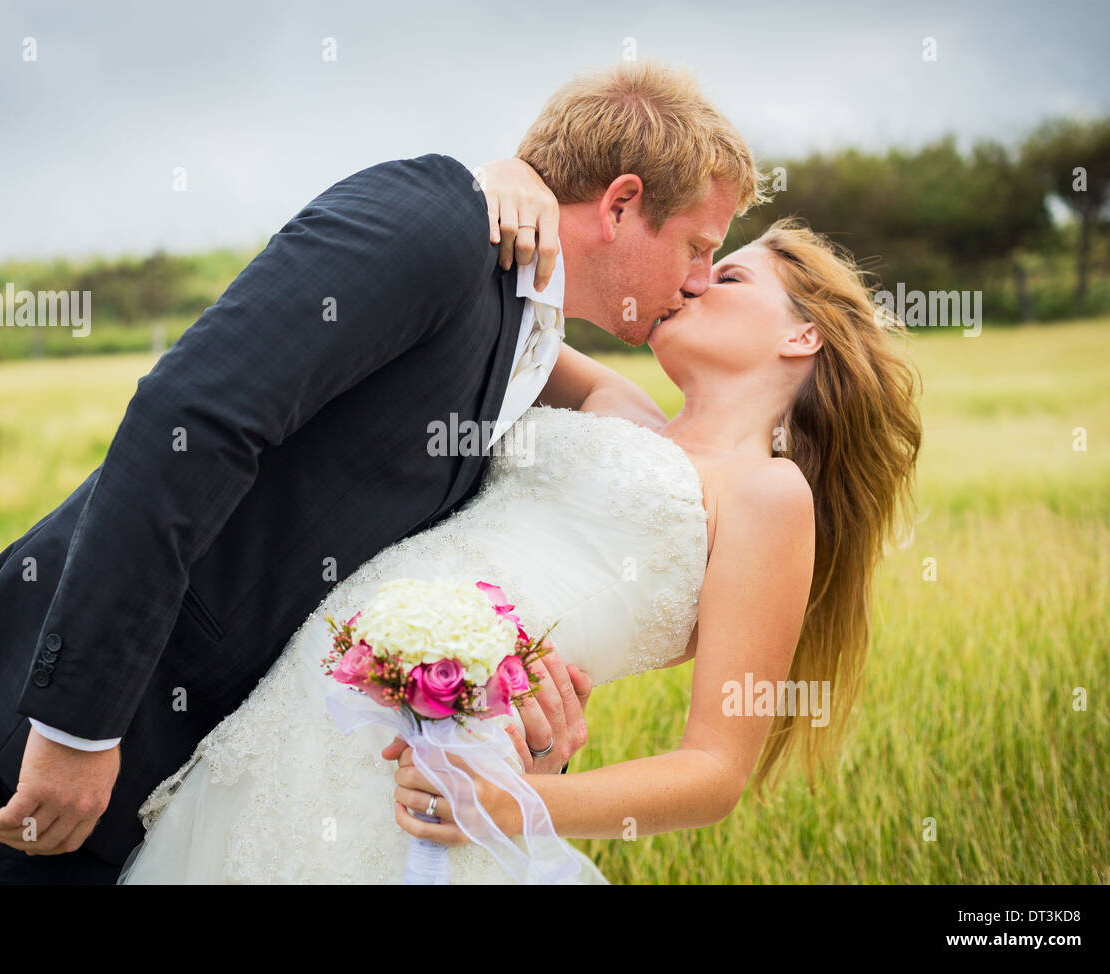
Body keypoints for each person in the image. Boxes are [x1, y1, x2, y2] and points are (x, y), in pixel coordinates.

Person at [0, 59, 762, 883]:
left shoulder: (529, 335)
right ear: (621, 203)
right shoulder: (439, 220)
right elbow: (189, 416)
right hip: (99, 707)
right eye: (697, 246)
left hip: (225, 758)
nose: (696, 282)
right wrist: (77, 723)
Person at [118, 215, 922, 883]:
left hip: (446, 777)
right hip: (300, 711)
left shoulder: (768, 494)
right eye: (701, 260)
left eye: (731, 275)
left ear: (803, 335)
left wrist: (512, 805)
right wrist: (510, 183)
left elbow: (715, 771)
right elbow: (499, 292)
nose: (697, 280)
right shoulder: (614, 401)